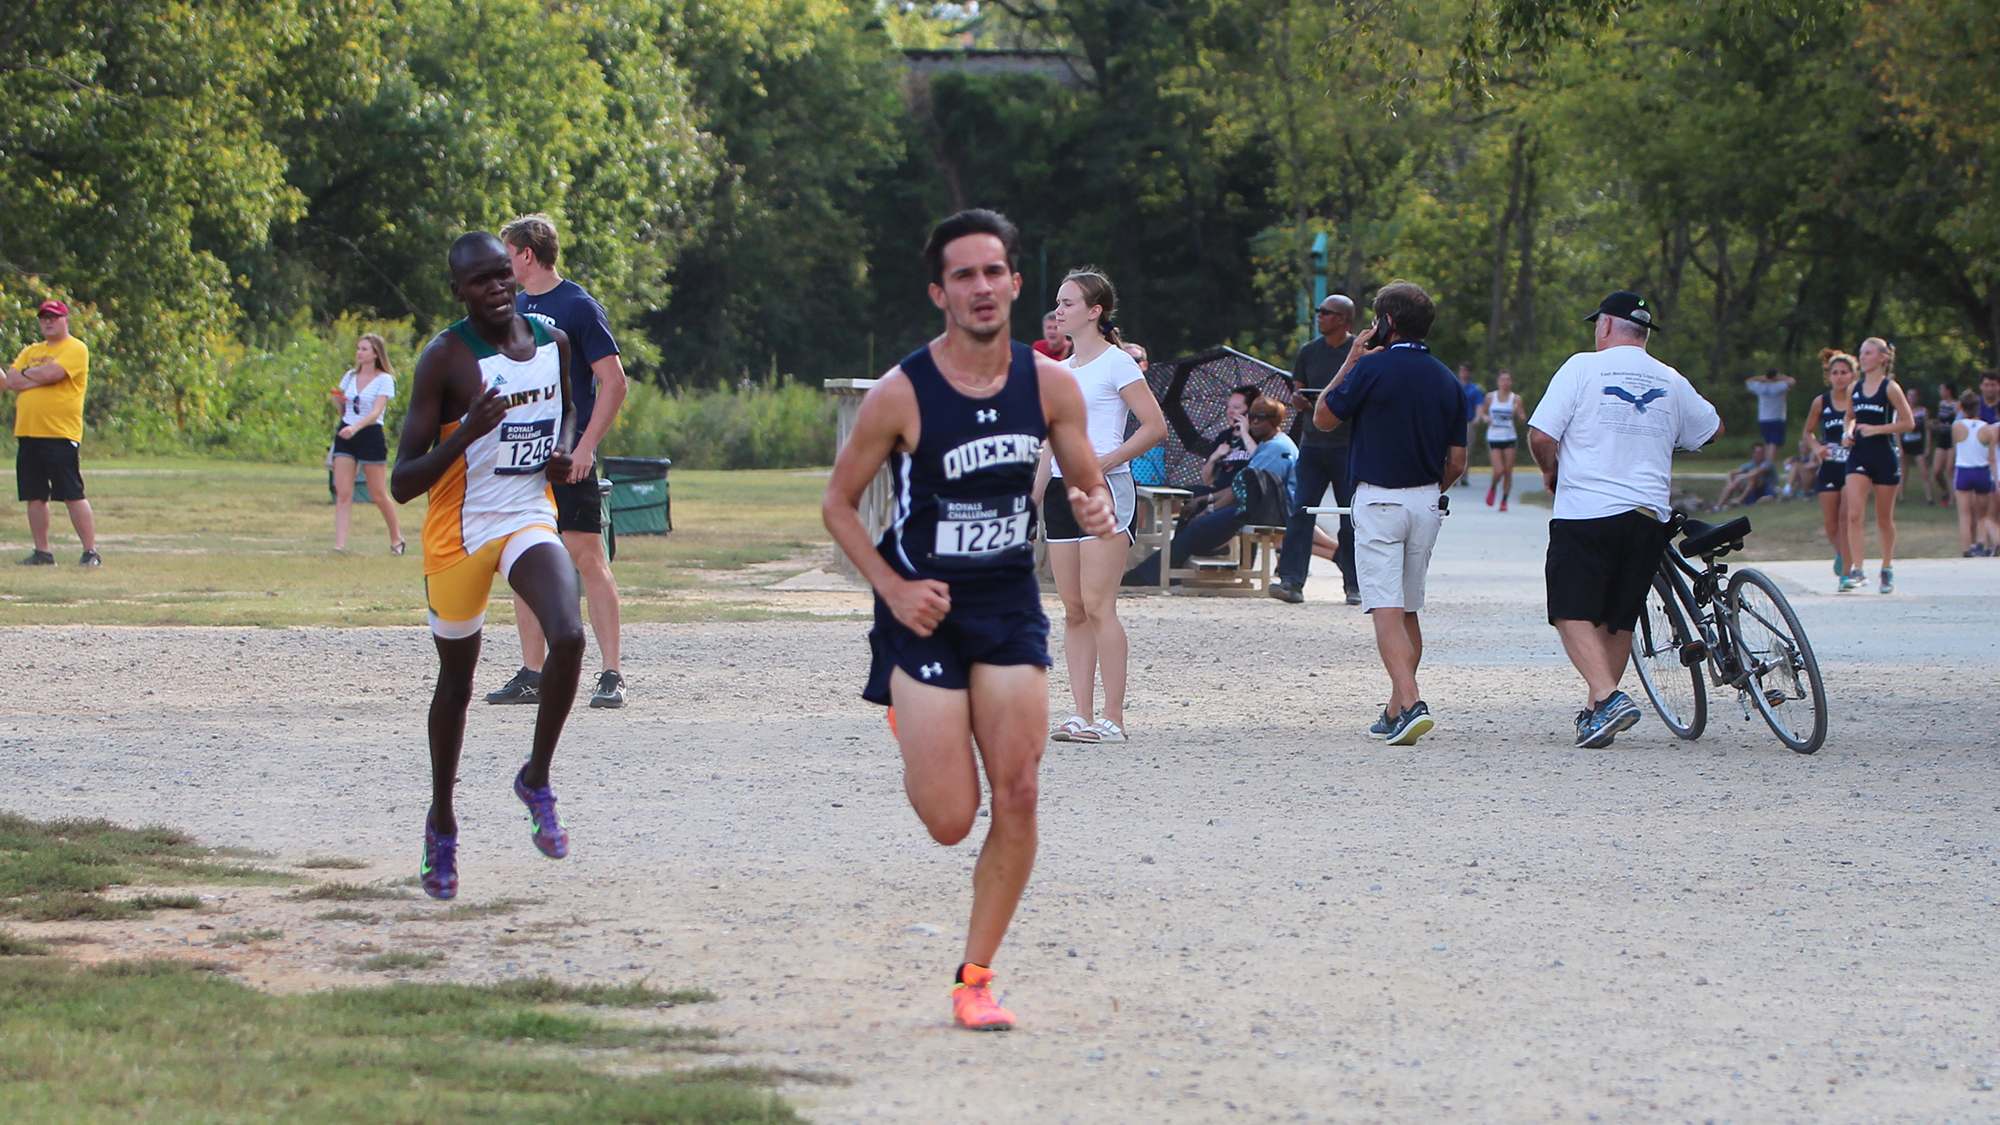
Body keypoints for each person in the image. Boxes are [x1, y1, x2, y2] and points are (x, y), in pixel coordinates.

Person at [820, 209, 1114, 1032]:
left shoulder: (1050, 385)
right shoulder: (902, 392)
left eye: (995, 272)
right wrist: (891, 588)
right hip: (925, 610)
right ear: (939, 291)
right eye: (964, 275)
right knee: (952, 820)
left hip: (1007, 609)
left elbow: (1084, 482)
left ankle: (975, 978)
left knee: (1018, 792)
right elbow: (839, 505)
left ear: (1016, 284)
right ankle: (914, 722)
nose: (982, 287)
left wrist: (1090, 505)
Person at [389, 232, 584, 901]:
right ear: (459, 291)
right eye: (482, 281)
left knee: (568, 635)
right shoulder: (444, 358)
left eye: (504, 275)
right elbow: (401, 482)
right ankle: (441, 820)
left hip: (527, 517)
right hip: (458, 534)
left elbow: (566, 410)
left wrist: (561, 452)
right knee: (457, 687)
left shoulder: (553, 342)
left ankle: (536, 777)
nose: (498, 288)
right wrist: (467, 432)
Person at [1527, 291, 1721, 749]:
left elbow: (1540, 434)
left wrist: (1551, 469)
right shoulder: (1670, 378)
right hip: (1647, 513)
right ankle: (1599, 711)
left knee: (1570, 610)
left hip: (1588, 510)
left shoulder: (1581, 367)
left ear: (1607, 326)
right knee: (1618, 618)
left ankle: (1610, 697)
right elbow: (1712, 429)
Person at [483, 215, 632, 709]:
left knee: (587, 557)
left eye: (507, 254)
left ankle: (611, 673)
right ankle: (533, 672)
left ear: (527, 253)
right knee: (522, 561)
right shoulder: (514, 306)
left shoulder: (577, 306)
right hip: (525, 456)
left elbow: (614, 383)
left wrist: (586, 447)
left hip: (570, 453)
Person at [1313, 282, 1466, 746]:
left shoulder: (1373, 367)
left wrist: (1351, 358)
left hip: (1380, 498)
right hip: (1425, 500)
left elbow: (1323, 416)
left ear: (1386, 323)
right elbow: (1457, 462)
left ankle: (1412, 703)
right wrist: (1428, 490)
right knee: (1410, 607)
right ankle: (1396, 704)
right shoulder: (1447, 379)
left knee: (1385, 607)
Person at [1035, 268, 1166, 745]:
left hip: (1103, 490)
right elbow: (1051, 440)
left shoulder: (1117, 364)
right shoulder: (1057, 371)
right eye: (1057, 303)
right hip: (1059, 492)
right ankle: (1081, 713)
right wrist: (1032, 497)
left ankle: (1114, 717)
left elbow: (1154, 426)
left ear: (1095, 312)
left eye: (1068, 303)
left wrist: (1105, 461)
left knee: (1098, 605)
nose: (1058, 311)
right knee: (1071, 608)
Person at [1121, 396, 1298, 583]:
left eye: (1260, 418)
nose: (1254, 422)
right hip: (1253, 504)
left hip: (1264, 510)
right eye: (1251, 417)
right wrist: (1203, 501)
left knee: (1198, 526)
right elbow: (1239, 484)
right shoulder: (1265, 444)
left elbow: (1245, 489)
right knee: (1191, 508)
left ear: (1274, 420)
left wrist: (1210, 508)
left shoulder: (1276, 448)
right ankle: (1173, 570)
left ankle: (1147, 576)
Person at [1273, 294, 1362, 604]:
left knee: (1351, 516)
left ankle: (1355, 584)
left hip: (1347, 446)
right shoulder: (1309, 352)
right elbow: (1298, 389)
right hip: (1312, 444)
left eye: (1327, 313)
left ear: (1345, 320)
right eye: (1319, 311)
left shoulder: (1359, 354)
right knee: (1300, 512)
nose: (1320, 316)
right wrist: (1298, 401)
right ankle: (1290, 581)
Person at [6, 300, 98, 567]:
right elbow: (11, 380)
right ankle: (43, 553)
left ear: (65, 320)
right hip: (28, 431)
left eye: (54, 318)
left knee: (71, 492)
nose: (48, 322)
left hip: (59, 432)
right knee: (34, 494)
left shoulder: (75, 348)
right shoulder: (31, 350)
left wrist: (31, 376)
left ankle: (90, 551)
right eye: (44, 318)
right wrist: (36, 375)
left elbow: (54, 373)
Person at [1837, 337, 1915, 594]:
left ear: (1882, 358)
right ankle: (1857, 569)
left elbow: (1908, 422)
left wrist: (1877, 429)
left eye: (1869, 353)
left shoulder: (1890, 388)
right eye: (1861, 352)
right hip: (1859, 455)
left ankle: (1887, 566)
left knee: (1884, 518)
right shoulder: (1854, 388)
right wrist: (1847, 432)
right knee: (1854, 513)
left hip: (1884, 454)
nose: (1863, 357)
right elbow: (1850, 416)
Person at [328, 334, 405, 554]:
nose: (359, 352)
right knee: (343, 492)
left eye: (364, 349)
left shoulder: (384, 379)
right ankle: (339, 544)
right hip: (346, 432)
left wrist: (356, 428)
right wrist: (339, 404)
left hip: (369, 434)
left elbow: (376, 412)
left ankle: (396, 538)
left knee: (377, 493)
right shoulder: (350, 376)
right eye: (358, 348)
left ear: (375, 354)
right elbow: (345, 409)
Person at [1804, 350, 1858, 578]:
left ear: (1853, 375)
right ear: (1829, 376)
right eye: (1835, 373)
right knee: (1832, 527)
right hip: (1829, 467)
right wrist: (1817, 449)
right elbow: (1808, 432)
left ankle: (1848, 572)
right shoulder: (1821, 402)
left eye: (1844, 372)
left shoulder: (1859, 401)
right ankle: (1843, 553)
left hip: (1852, 468)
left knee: (1847, 519)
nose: (1839, 377)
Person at [1951, 390, 1999, 556]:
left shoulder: (1957, 427)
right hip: (1982, 471)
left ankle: (1966, 549)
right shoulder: (1988, 429)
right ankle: (1981, 543)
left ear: (1962, 408)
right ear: (1978, 407)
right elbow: (1992, 457)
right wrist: (1996, 479)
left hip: (1964, 470)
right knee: (1983, 515)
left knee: (1965, 515)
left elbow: (1956, 447)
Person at [1476, 369, 1527, 511]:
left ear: (1511, 382)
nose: (1505, 383)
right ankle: (1492, 488)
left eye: (1508, 380)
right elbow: (1482, 411)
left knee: (1508, 471)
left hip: (1509, 436)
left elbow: (1523, 419)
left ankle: (1504, 501)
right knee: (1499, 470)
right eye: (1503, 379)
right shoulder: (1491, 397)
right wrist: (1485, 418)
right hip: (1494, 437)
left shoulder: (1515, 399)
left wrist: (1518, 413)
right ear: (1498, 382)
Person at [1711, 442, 1775, 509]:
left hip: (1766, 489)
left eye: (1762, 452)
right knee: (1733, 484)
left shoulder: (1768, 463)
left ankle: (1739, 500)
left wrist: (1740, 478)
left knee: (1753, 478)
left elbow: (1756, 472)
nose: (1761, 454)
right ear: (1753, 454)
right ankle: (1718, 506)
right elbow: (1731, 472)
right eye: (1758, 452)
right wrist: (1731, 483)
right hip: (1753, 489)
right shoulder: (1750, 464)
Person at [1745, 368, 1796, 450]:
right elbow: (1792, 382)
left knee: (1767, 442)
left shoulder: (1760, 387)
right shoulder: (1779, 386)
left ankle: (1767, 461)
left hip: (1763, 418)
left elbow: (1748, 381)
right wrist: (1782, 377)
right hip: (1777, 417)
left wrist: (1762, 378)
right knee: (1774, 443)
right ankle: (1770, 461)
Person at [1929, 382, 1960, 503]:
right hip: (1942, 439)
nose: (1940, 391)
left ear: (1949, 391)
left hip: (1952, 439)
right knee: (1936, 471)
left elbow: (1957, 422)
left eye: (1942, 389)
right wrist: (1935, 424)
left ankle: (1952, 500)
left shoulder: (1957, 405)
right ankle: (1945, 491)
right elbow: (1941, 420)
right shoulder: (1941, 404)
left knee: (1949, 469)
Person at [1455, 363, 1484, 486]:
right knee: (1451, 449)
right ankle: (1453, 476)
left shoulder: (1475, 389)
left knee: (1467, 450)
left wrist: (1478, 417)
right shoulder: (1454, 385)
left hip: (1468, 422)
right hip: (1454, 422)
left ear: (1470, 373)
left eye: (1466, 370)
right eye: (1462, 370)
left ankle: (1464, 477)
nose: (1463, 373)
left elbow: (1479, 405)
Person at [1900, 394, 1931, 504]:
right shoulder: (1902, 410)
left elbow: (1927, 430)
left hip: (1919, 445)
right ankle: (1902, 497)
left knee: (1924, 472)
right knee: (1903, 473)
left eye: (1915, 396)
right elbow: (1898, 431)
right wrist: (1899, 447)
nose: (1913, 398)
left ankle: (1929, 498)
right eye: (1910, 396)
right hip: (1906, 444)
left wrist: (1928, 446)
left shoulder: (1923, 411)